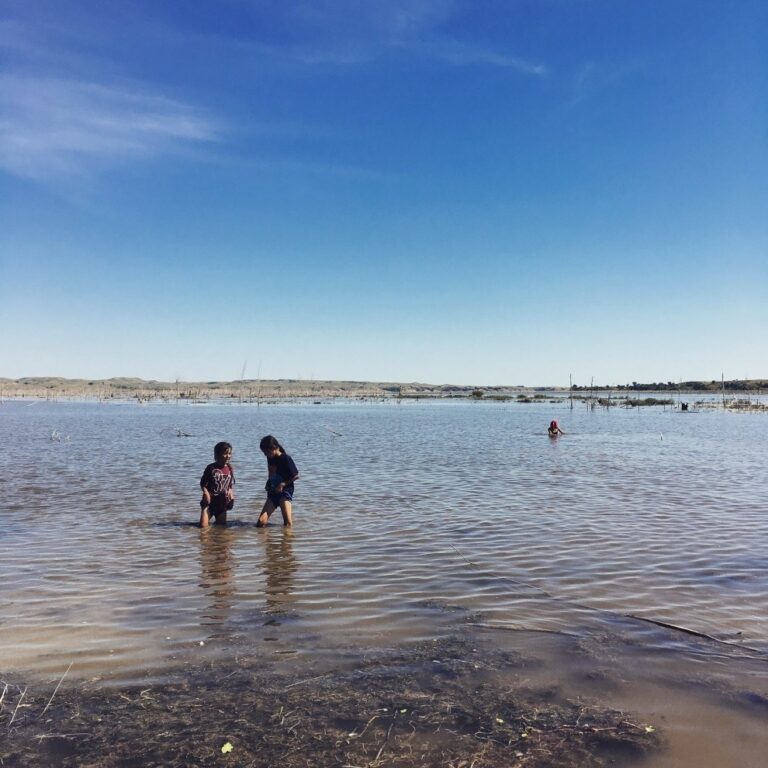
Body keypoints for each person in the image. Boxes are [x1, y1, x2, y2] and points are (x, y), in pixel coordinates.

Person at [257, 435, 299, 527]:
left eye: (266, 452)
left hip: (285, 492)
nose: (265, 454)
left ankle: (287, 536)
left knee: (287, 523)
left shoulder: (286, 459)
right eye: (264, 452)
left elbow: (296, 476)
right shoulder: (270, 458)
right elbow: (271, 473)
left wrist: (282, 484)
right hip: (273, 492)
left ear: (273, 447)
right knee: (260, 522)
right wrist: (269, 484)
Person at [199, 442, 235, 528]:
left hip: (222, 504)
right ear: (217, 454)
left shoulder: (230, 468)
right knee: (203, 527)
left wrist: (231, 496)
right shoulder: (211, 468)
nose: (228, 456)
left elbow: (229, 485)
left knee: (221, 529)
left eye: (229, 453)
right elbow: (202, 483)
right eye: (225, 453)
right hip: (209, 503)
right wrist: (206, 493)